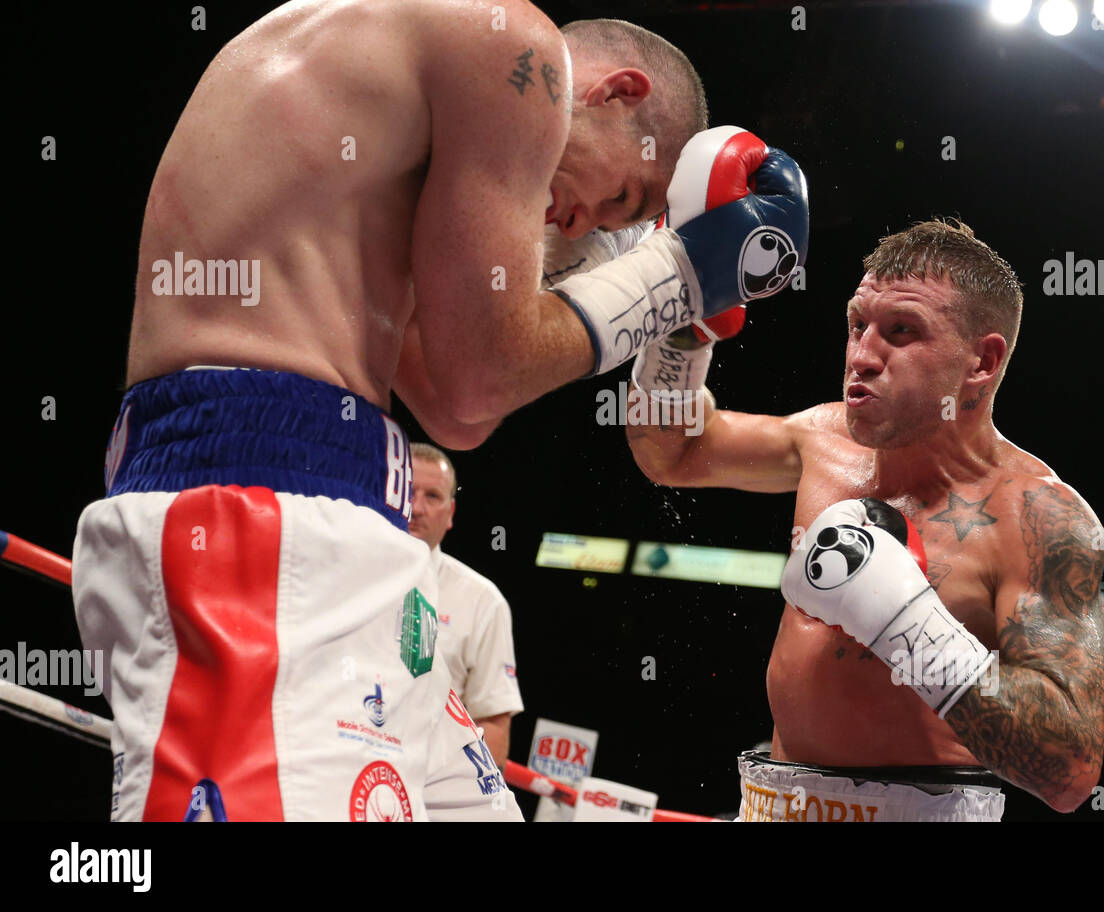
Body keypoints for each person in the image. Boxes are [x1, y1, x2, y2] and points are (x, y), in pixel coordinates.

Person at [72, 0, 808, 821]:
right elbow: (478, 380)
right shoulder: (509, 44)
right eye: (619, 198)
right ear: (617, 92)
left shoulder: (391, 117)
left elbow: (458, 414)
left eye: (613, 225)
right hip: (251, 505)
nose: (583, 224)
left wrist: (625, 273)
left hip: (333, 501)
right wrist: (680, 275)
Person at [626, 219, 1104, 821]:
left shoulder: (1040, 516)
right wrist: (683, 328)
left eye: (901, 331)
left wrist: (909, 627)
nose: (862, 355)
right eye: (858, 325)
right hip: (767, 804)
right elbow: (671, 451)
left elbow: (1068, 770)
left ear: (982, 362)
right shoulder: (823, 439)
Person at [408, 444, 522, 769]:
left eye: (432, 496)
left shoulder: (481, 600)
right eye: (408, 491)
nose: (417, 508)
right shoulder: (345, 574)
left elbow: (494, 722)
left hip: (430, 786)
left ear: (450, 514)